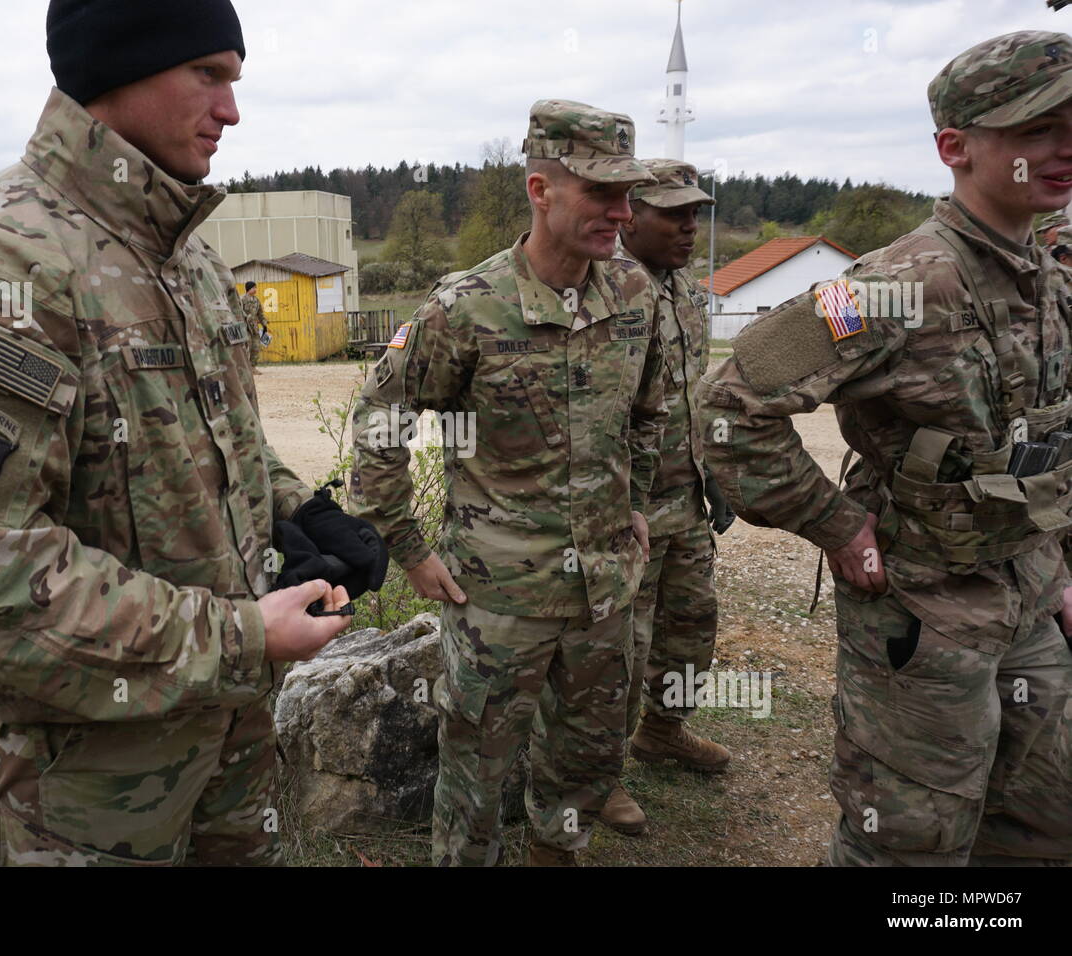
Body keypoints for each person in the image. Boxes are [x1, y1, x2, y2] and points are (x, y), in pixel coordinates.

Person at [0, 0, 386, 866]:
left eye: (234, 80)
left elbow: (217, 441)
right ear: (118, 67)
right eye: (207, 75)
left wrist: (304, 511)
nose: (232, 111)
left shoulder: (189, 258)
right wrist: (245, 636)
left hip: (232, 757)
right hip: (98, 791)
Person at [696, 30, 1072, 866]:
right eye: (1037, 127)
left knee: (1043, 826)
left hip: (1030, 602)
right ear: (956, 147)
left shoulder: (1047, 276)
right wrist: (834, 523)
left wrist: (1055, 566)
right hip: (923, 617)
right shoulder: (895, 284)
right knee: (909, 846)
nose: (1065, 146)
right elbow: (730, 407)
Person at [349, 100, 667, 866]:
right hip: (497, 601)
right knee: (476, 775)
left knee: (585, 763)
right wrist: (407, 546)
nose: (622, 215)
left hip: (602, 594)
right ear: (540, 189)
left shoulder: (632, 295)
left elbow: (650, 410)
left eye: (629, 196)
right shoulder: (467, 307)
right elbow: (380, 416)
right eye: (601, 194)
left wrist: (635, 501)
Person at [602, 159, 731, 835]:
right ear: (631, 211)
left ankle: (663, 731)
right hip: (629, 512)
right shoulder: (604, 291)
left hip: (689, 502)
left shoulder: (686, 291)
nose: (689, 226)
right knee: (621, 650)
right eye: (674, 213)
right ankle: (599, 773)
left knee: (690, 634)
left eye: (695, 213)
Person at [241, 281, 268, 371]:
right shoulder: (242, 299)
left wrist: (264, 324)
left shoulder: (256, 300)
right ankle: (245, 368)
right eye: (253, 288)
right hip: (245, 327)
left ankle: (253, 367)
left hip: (254, 327)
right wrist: (246, 317)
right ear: (248, 289)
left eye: (255, 287)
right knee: (247, 347)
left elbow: (260, 313)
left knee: (256, 347)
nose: (255, 289)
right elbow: (238, 311)